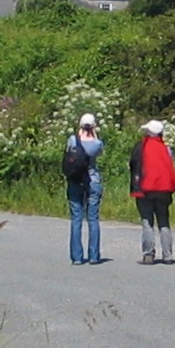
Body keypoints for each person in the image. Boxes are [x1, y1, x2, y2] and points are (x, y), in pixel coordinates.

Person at [129, 118, 175, 263]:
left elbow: (133, 165)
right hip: (164, 190)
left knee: (147, 222)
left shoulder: (140, 147)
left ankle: (148, 254)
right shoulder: (166, 149)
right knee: (164, 222)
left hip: (145, 189)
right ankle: (168, 255)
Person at [63, 112, 105, 265]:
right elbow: (99, 153)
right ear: (93, 127)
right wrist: (95, 135)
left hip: (75, 182)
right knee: (93, 219)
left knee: (76, 219)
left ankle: (77, 257)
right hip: (92, 180)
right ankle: (93, 256)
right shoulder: (96, 143)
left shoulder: (73, 140)